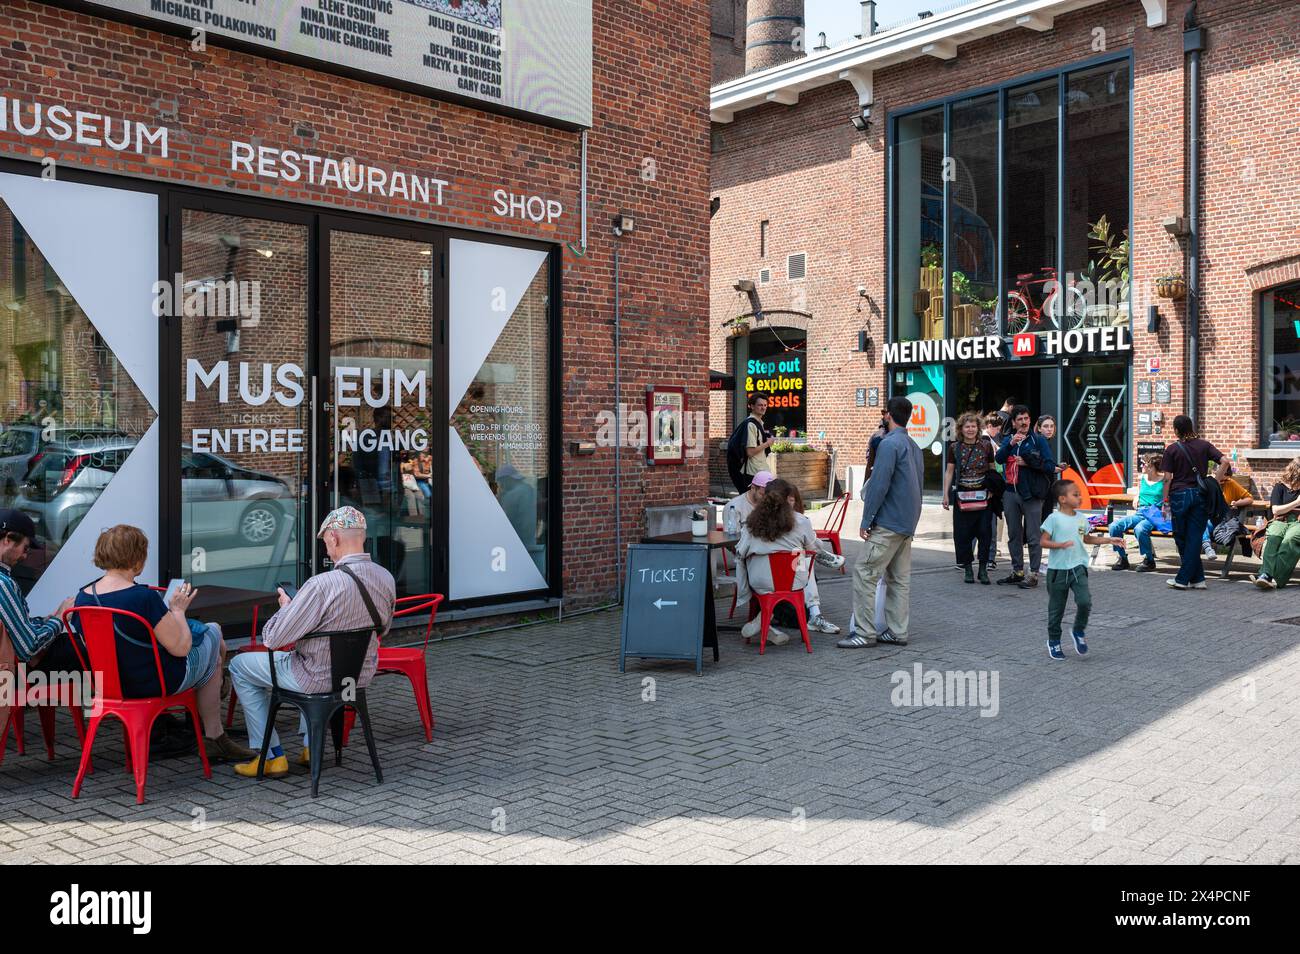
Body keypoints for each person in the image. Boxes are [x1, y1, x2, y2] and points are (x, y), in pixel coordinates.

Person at [229, 506, 395, 778]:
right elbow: (383, 629)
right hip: (358, 679)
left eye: (326, 542)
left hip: (315, 679)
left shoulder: (322, 585)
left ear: (334, 538)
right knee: (310, 657)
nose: (327, 550)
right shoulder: (385, 577)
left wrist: (286, 608)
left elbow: (273, 639)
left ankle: (270, 757)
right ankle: (309, 747)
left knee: (239, 666)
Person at [69, 525, 255, 762]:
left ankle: (214, 715)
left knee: (212, 654)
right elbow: (181, 648)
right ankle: (215, 736)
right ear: (138, 557)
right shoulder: (142, 597)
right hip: (156, 682)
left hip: (108, 686)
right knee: (213, 635)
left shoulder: (83, 597)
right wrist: (177, 610)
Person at [839, 396, 923, 648]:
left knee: (864, 573)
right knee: (898, 579)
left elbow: (879, 485)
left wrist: (866, 519)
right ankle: (897, 631)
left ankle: (864, 633)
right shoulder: (914, 445)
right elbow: (917, 486)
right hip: (906, 522)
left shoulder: (888, 445)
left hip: (888, 522)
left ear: (888, 415)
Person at [734, 479, 845, 645]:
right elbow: (812, 547)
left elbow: (740, 552)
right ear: (788, 499)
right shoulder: (801, 521)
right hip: (793, 581)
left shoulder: (751, 523)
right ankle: (814, 613)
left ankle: (764, 617)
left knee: (761, 562)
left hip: (760, 582)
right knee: (805, 559)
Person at [0, 509, 80, 740]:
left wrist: (44, 620)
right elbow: (28, 648)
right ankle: (150, 721)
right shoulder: (3, 583)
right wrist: (59, 618)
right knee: (105, 654)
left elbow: (13, 626)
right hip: (18, 672)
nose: (25, 556)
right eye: (25, 548)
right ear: (8, 539)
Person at [1039, 479, 1124, 659]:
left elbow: (1087, 539)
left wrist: (1110, 540)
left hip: (1078, 567)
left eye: (1079, 494)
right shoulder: (1053, 519)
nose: (1079, 497)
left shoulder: (1081, 518)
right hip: (1057, 570)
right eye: (1075, 494)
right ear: (1062, 499)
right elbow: (1043, 541)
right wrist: (1059, 544)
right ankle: (1053, 641)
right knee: (1057, 609)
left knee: (1085, 601)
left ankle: (1078, 631)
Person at [1159, 415, 1229, 590]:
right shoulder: (1204, 445)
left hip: (1179, 495)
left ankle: (1182, 579)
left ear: (1176, 430)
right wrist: (1214, 481)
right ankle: (1198, 579)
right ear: (1191, 427)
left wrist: (1164, 500)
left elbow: (1167, 479)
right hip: (1200, 495)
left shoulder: (1172, 449)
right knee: (1195, 537)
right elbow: (1225, 461)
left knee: (1182, 537)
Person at [995, 405, 1056, 588]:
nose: (1023, 422)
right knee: (1014, 534)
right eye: (1019, 419)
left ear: (1030, 420)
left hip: (1032, 495)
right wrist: (1011, 444)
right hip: (1011, 493)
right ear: (1013, 422)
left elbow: (1049, 465)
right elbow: (998, 458)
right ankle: (1017, 571)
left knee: (1033, 536)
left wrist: (1028, 462)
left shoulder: (1038, 441)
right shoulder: (1008, 440)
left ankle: (1034, 574)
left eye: (1026, 419)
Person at [942, 411, 996, 584]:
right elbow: (949, 471)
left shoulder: (986, 446)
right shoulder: (954, 448)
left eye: (973, 426)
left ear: (978, 427)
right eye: (967, 426)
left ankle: (982, 569)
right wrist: (945, 494)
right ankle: (967, 569)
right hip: (962, 496)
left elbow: (992, 469)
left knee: (985, 532)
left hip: (984, 495)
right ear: (961, 429)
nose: (971, 429)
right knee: (963, 534)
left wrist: (993, 489)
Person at [1107, 453, 1165, 572]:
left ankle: (1149, 560)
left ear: (1153, 466)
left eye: (1145, 464)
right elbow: (1139, 490)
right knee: (1114, 526)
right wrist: (1137, 496)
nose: (1142, 466)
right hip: (1140, 513)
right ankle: (1122, 558)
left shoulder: (1165, 480)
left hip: (1155, 515)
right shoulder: (1142, 478)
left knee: (1140, 529)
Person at [1254, 457, 1300, 589]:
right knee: (1273, 537)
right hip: (1280, 519)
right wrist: (1297, 503)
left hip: (1297, 522)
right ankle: (1266, 575)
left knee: (1290, 540)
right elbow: (1276, 510)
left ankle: (1272, 577)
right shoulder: (1280, 486)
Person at [983, 411, 1006, 568]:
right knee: (989, 523)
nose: (999, 432)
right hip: (989, 485)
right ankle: (989, 557)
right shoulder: (986, 440)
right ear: (990, 426)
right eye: (997, 428)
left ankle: (968, 559)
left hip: (988, 485)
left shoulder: (989, 439)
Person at [736, 393, 774, 491]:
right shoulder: (751, 425)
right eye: (760, 405)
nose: (763, 408)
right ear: (752, 406)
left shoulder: (759, 423)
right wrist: (768, 443)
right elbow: (750, 452)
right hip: (754, 471)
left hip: (761, 468)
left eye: (765, 405)